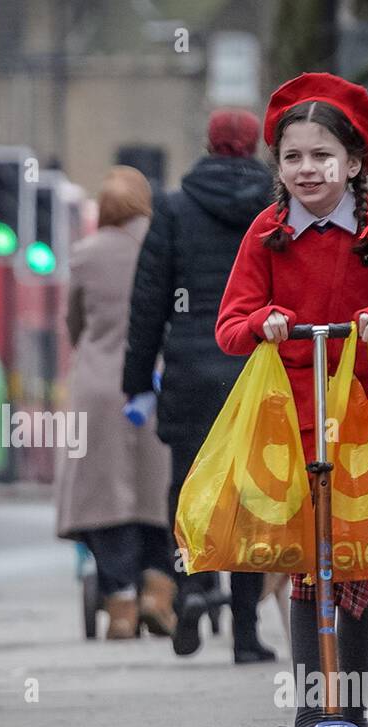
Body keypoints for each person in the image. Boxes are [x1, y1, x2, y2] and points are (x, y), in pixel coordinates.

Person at [215, 73, 368, 727]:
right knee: (308, 571)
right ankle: (310, 714)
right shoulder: (268, 230)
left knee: (359, 569)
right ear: (278, 167)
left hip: (362, 422)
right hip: (289, 423)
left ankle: (351, 713)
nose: (307, 169)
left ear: (353, 163)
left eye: (322, 156)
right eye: (292, 157)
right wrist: (265, 322)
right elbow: (228, 325)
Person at [123, 108, 277, 662]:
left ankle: (189, 588)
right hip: (258, 368)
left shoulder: (173, 206)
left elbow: (148, 303)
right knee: (253, 496)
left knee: (190, 490)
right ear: (256, 144)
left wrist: (137, 382)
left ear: (210, 143)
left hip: (189, 368)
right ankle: (244, 632)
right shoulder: (275, 206)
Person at [54, 167, 173, 640]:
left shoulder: (86, 254)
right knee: (159, 492)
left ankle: (121, 604)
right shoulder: (162, 245)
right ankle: (160, 592)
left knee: (104, 500)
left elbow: (74, 324)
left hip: (98, 387)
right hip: (156, 382)